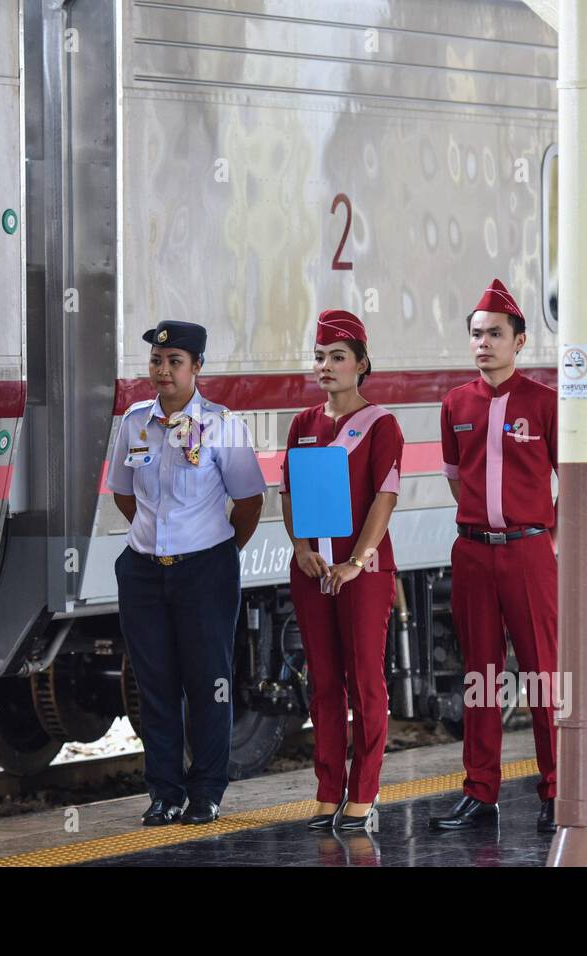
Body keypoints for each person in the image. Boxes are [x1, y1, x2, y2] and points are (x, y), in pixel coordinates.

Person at [107, 319, 267, 826]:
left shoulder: (222, 425)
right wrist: (158, 543)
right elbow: (123, 493)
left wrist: (214, 553)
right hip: (144, 573)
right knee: (154, 686)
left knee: (209, 684)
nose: (163, 370)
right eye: (156, 361)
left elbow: (248, 501)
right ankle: (164, 793)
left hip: (206, 572)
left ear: (197, 367)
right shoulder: (135, 422)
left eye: (174, 361)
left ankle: (206, 792)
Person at [429, 279, 560, 835]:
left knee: (543, 676)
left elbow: (570, 480)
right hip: (475, 554)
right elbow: (459, 483)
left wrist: (547, 540)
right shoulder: (456, 404)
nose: (484, 343)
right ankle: (480, 792)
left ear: (520, 341)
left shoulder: (545, 402)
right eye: (477, 335)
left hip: (531, 552)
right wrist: (487, 524)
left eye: (495, 334)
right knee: (479, 675)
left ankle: (557, 790)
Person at [280, 309, 403, 832]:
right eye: (320, 357)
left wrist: (355, 562)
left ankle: (364, 791)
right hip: (312, 571)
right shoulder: (303, 425)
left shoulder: (381, 425)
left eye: (337, 357)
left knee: (365, 682)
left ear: (361, 365)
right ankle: (328, 791)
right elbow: (288, 494)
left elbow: (385, 496)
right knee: (324, 683)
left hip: (363, 571)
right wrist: (302, 548)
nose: (325, 366)